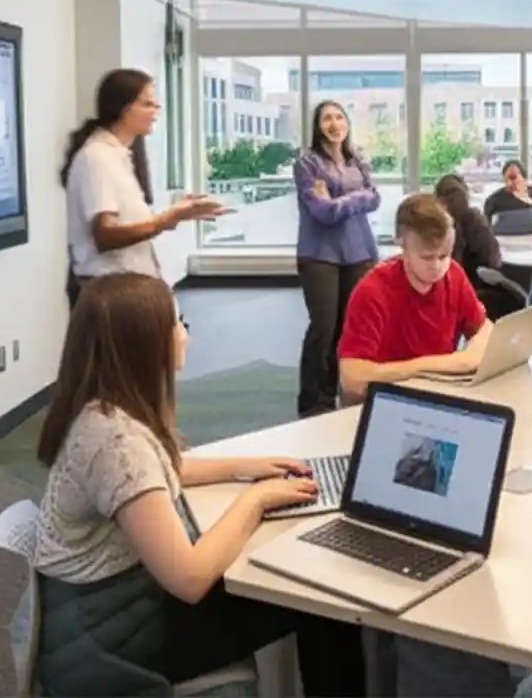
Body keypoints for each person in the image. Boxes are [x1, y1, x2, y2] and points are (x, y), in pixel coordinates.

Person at [29, 273, 366, 696]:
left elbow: (155, 473)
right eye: (178, 322)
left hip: (102, 614)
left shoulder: (101, 413)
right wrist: (256, 500)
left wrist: (244, 468)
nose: (185, 334)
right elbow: (190, 579)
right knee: (320, 604)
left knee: (301, 593)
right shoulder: (118, 446)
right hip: (113, 640)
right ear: (146, 343)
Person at [61, 68, 226, 305]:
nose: (156, 108)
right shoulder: (97, 158)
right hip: (112, 295)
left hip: (127, 289)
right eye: (147, 103)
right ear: (123, 108)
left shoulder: (117, 156)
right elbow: (105, 235)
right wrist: (168, 218)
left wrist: (175, 213)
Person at [336, 193, 493, 403]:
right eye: (427, 257)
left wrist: (467, 358)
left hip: (437, 395)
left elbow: (484, 327)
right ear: (402, 245)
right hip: (387, 402)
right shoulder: (372, 291)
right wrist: (443, 364)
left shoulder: (454, 275)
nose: (437, 266)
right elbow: (352, 378)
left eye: (444, 256)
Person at [294, 100, 383, 417]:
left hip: (359, 252)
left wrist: (341, 200)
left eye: (339, 117)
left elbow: (376, 198)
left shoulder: (357, 158)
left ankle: (340, 391)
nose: (334, 124)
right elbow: (323, 213)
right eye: (327, 119)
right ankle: (314, 400)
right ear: (318, 126)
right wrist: (360, 198)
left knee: (350, 327)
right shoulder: (307, 163)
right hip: (319, 254)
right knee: (323, 327)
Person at [433, 174, 520, 320]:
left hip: (463, 297)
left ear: (439, 199)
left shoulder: (442, 225)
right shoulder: (475, 219)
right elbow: (494, 260)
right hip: (489, 295)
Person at [482, 159, 532, 234]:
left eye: (513, 178)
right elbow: (486, 229)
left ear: (524, 178)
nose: (509, 183)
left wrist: (525, 198)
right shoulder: (493, 201)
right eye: (506, 180)